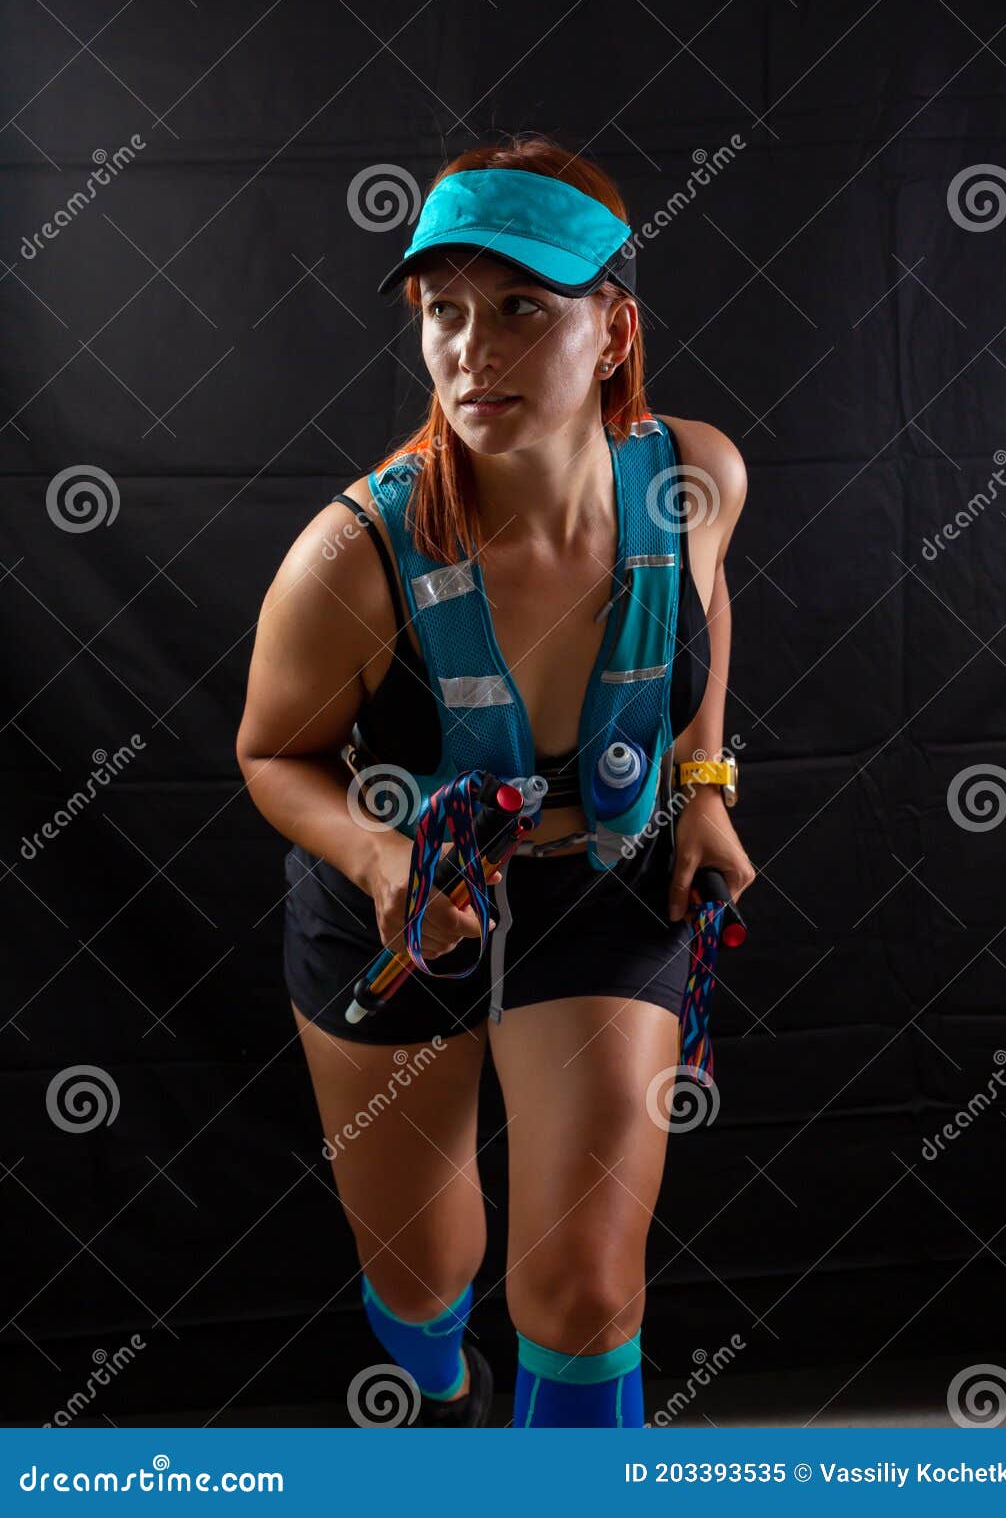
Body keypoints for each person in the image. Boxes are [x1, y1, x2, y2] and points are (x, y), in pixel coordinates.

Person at [235, 134, 754, 1429]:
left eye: (524, 306)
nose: (474, 346)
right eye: (445, 310)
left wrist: (700, 784)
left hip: (601, 888)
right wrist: (385, 860)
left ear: (613, 329)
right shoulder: (352, 556)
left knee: (581, 1291)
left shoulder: (696, 480)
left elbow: (703, 616)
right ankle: (447, 1401)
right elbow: (271, 754)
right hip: (396, 916)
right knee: (427, 1271)